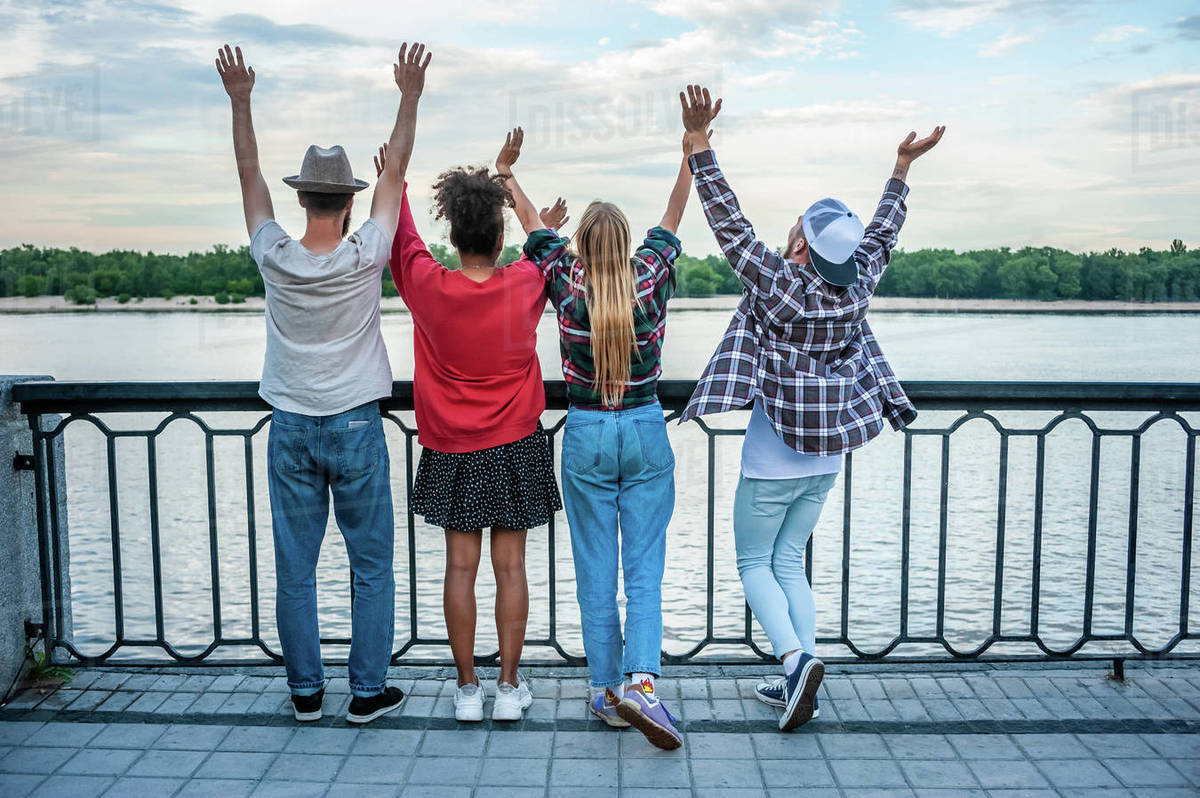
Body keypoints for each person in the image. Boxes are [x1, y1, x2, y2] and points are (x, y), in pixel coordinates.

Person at [679, 85, 945, 732]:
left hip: (773, 455)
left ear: (800, 243)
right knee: (790, 560)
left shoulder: (780, 284)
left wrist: (697, 144)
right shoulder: (860, 284)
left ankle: (796, 662)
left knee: (752, 563)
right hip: (828, 457)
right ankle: (804, 678)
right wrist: (901, 170)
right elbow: (883, 232)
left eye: (799, 225)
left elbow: (728, 224)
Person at [215, 42, 429, 724]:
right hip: (357, 424)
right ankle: (367, 692)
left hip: (290, 426)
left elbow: (247, 172)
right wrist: (409, 95)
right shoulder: (367, 252)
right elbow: (396, 170)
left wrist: (241, 101)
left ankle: (306, 693)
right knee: (371, 566)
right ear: (347, 202)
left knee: (295, 568)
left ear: (302, 197)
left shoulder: (274, 255)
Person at [515, 106, 716, 749]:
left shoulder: (565, 282)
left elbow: (528, 225)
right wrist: (694, 143)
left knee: (595, 567)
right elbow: (675, 211)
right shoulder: (649, 274)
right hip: (645, 426)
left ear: (581, 244)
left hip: (586, 435)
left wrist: (505, 174)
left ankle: (605, 693)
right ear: (625, 243)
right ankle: (643, 684)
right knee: (645, 568)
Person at [377, 125, 566, 723]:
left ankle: (466, 691)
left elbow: (400, 239)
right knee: (511, 568)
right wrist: (511, 180)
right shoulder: (528, 282)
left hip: (451, 450)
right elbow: (543, 247)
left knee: (460, 568)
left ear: (453, 234)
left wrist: (395, 178)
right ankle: (509, 689)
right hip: (515, 445)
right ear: (499, 231)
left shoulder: (429, 286)